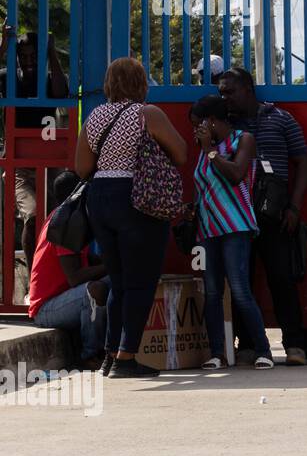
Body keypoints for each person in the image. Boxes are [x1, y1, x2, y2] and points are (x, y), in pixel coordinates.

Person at [74, 57, 187, 379]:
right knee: (140, 282)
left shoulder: (95, 116)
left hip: (100, 199)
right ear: (141, 83)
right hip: (137, 199)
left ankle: (110, 355)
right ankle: (126, 357)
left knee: (119, 282)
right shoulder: (147, 114)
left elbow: (82, 168)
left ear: (109, 83)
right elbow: (180, 154)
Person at [218, 67, 307, 365]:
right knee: (241, 281)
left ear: (248, 89)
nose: (225, 97)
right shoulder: (226, 125)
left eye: (229, 91)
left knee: (281, 278)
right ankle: (247, 345)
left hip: (274, 214)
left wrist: (294, 208)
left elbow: (303, 163)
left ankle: (295, 345)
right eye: (221, 92)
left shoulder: (281, 119)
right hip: (238, 215)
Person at [188, 95, 273, 371]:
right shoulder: (203, 149)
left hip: (236, 226)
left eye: (198, 124)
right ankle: (217, 353)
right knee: (212, 292)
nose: (195, 131)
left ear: (211, 121)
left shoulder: (242, 139)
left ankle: (264, 351)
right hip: (209, 229)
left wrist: (211, 151)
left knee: (240, 291)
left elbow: (236, 174)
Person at [1, 26, 71, 274]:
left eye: (34, 56)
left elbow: (62, 94)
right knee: (31, 217)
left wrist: (51, 52)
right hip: (20, 164)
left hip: (51, 163)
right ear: (17, 58)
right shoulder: (9, 77)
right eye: (24, 57)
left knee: (55, 219)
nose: (29, 62)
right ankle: (34, 279)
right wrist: (4, 47)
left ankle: (53, 275)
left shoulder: (49, 80)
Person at [28, 171, 108, 368]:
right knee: (95, 290)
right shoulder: (65, 223)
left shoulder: (69, 217)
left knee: (114, 281)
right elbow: (75, 278)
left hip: (63, 299)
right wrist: (109, 266)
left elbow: (87, 259)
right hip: (46, 309)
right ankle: (90, 354)